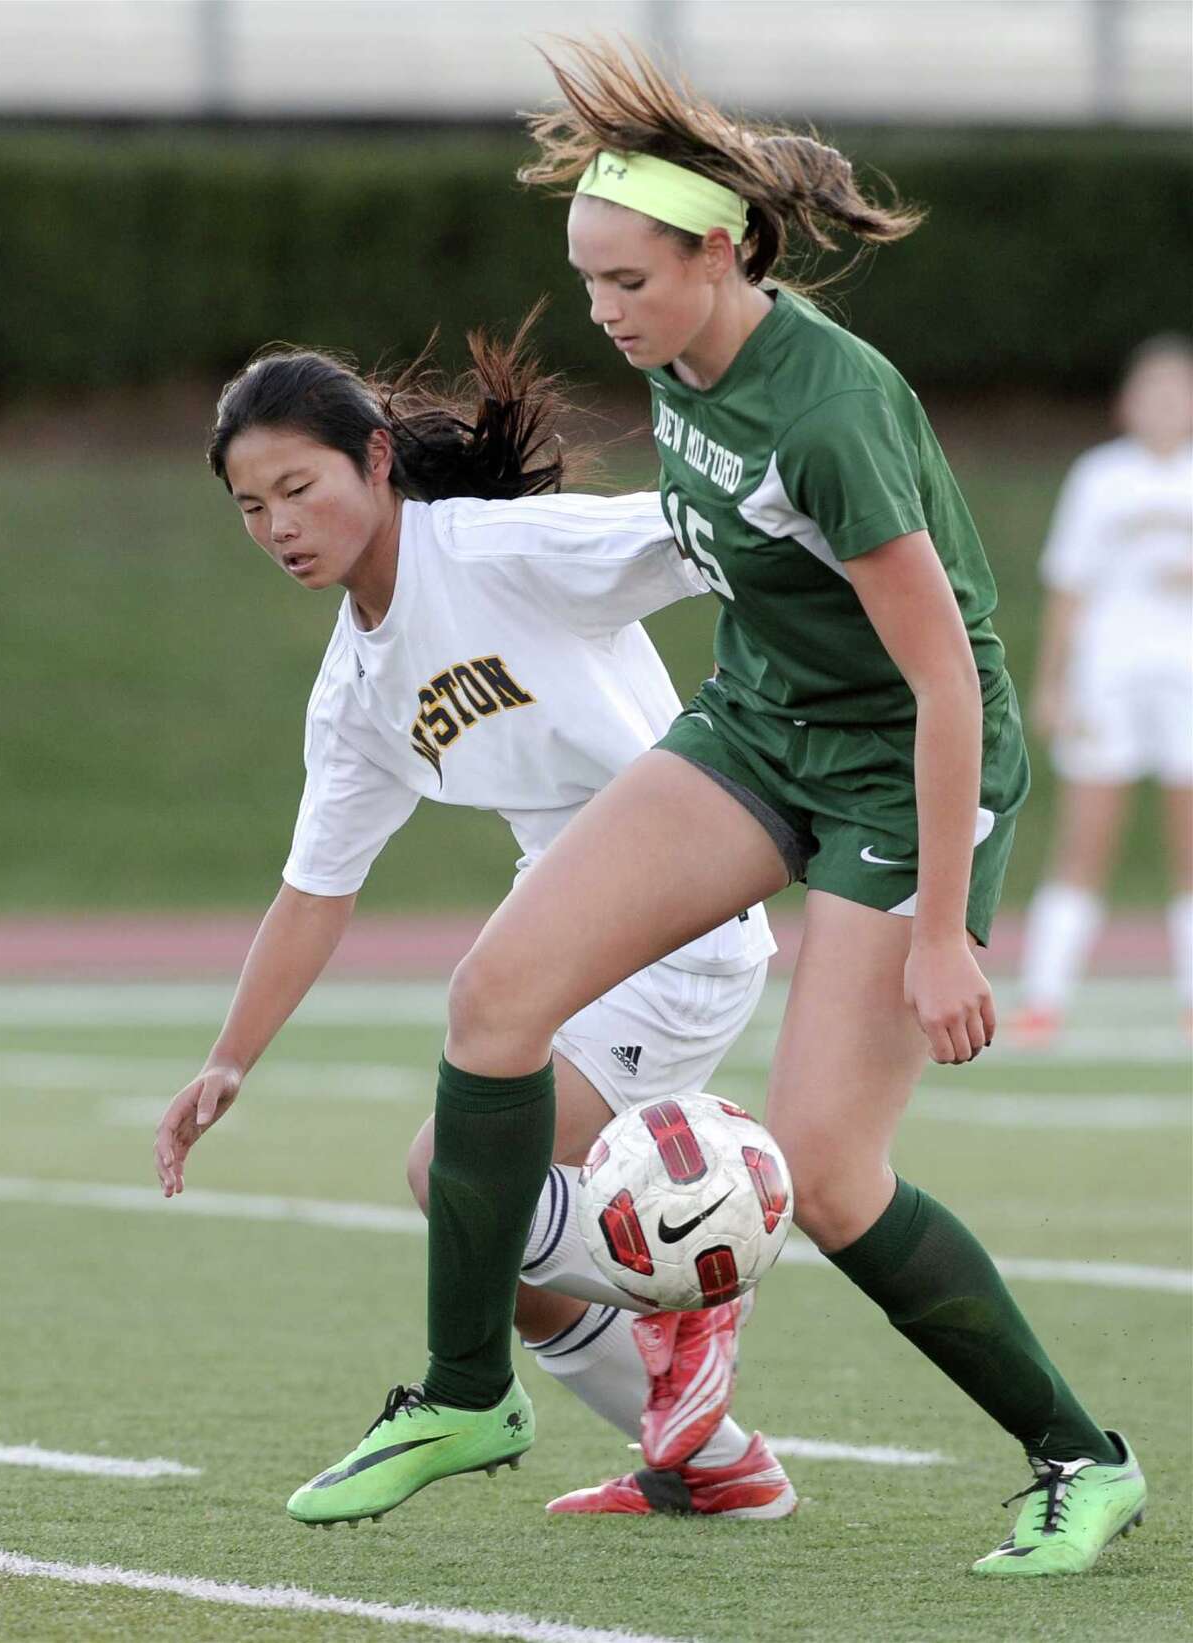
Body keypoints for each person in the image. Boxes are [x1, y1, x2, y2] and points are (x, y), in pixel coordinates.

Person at [298, 39, 1146, 1573]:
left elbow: (950, 680)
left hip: (903, 767)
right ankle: (471, 1391)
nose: (607, 311)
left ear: (720, 253)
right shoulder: (682, 360)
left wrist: (946, 930)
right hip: (758, 729)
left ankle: (1081, 1457)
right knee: (491, 997)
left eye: (630, 279)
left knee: (827, 1170)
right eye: (590, 278)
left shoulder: (826, 414)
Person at [152, 315, 796, 1526]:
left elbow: (701, 538)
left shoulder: (500, 550)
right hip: (569, 927)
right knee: (480, 1213)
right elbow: (316, 884)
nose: (278, 525)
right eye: (251, 507)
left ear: (377, 460)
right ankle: (719, 1464)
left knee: (459, 1177)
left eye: (298, 486)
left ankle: (696, 1274)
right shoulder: (356, 682)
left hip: (679, 915)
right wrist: (228, 1057)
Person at [1013, 335, 1193, 1042]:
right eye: (1151, 391)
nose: (1164, 405)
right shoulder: (1099, 478)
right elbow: (1068, 588)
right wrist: (1054, 684)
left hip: (1186, 684)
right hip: (1107, 683)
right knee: (1084, 842)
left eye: (1178, 392)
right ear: (1127, 403)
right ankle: (1044, 998)